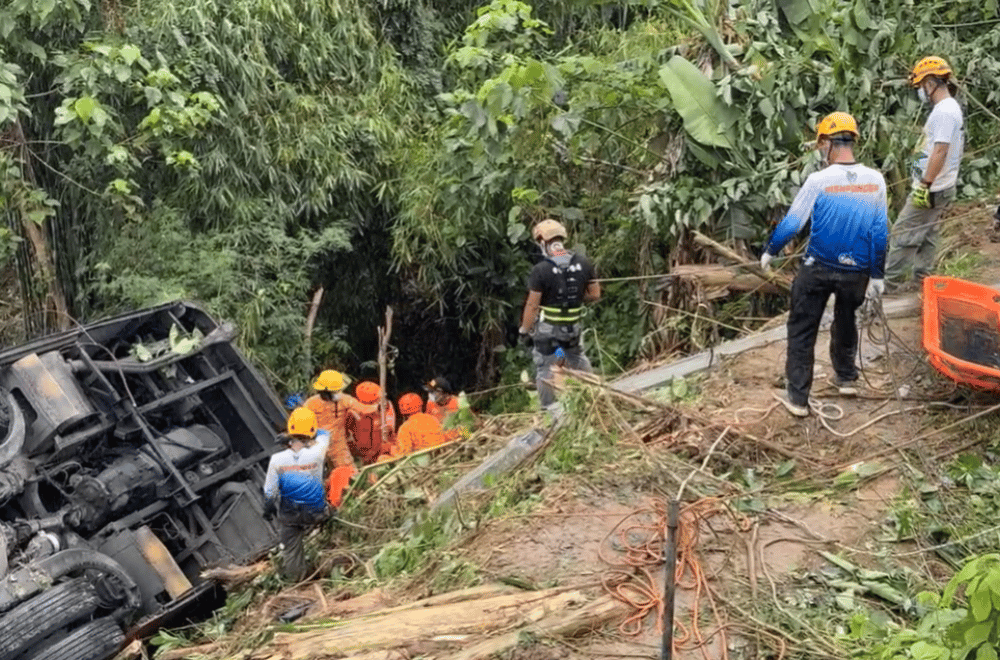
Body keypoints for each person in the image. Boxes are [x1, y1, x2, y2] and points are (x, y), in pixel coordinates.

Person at [759, 112, 889, 417]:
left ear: (828, 143)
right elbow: (880, 232)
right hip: (856, 271)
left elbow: (793, 222)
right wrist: (878, 274)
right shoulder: (875, 180)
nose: (821, 151)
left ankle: (798, 399)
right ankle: (846, 378)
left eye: (821, 145)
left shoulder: (819, 180)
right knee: (846, 319)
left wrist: (770, 250)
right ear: (852, 140)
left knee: (802, 329)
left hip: (818, 268)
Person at [884, 56, 964, 289]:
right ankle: (921, 279)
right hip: (939, 184)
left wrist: (925, 185)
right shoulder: (946, 109)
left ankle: (889, 286)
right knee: (928, 232)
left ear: (930, 83)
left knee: (903, 232)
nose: (920, 91)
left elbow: (940, 150)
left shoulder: (945, 112)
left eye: (920, 86)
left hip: (933, 187)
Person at [517, 219, 601, 409]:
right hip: (571, 330)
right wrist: (575, 297)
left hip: (549, 333)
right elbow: (595, 294)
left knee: (547, 366)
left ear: (543, 243)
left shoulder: (541, 270)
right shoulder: (583, 263)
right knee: (576, 358)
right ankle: (596, 397)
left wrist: (524, 330)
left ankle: (550, 410)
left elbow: (532, 306)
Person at [263, 407, 331, 582]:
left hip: (290, 516)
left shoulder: (277, 460)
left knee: (291, 547)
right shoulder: (318, 451)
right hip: (316, 513)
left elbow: (270, 493)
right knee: (333, 512)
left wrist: (268, 511)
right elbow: (323, 433)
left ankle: (299, 582)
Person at [304, 369, 376, 472]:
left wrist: (377, 406)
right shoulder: (311, 404)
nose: (339, 392)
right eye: (337, 391)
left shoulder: (344, 399)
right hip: (316, 444)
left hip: (338, 445)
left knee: (350, 474)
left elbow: (363, 409)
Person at [345, 381, 396, 464]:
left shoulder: (386, 406)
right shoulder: (352, 411)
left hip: (382, 451)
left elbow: (390, 430)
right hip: (362, 453)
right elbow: (346, 435)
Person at [382, 393, 445, 459]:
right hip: (439, 456)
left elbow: (403, 454)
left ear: (403, 408)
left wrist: (390, 449)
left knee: (382, 458)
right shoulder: (433, 419)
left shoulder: (406, 427)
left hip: (421, 462)